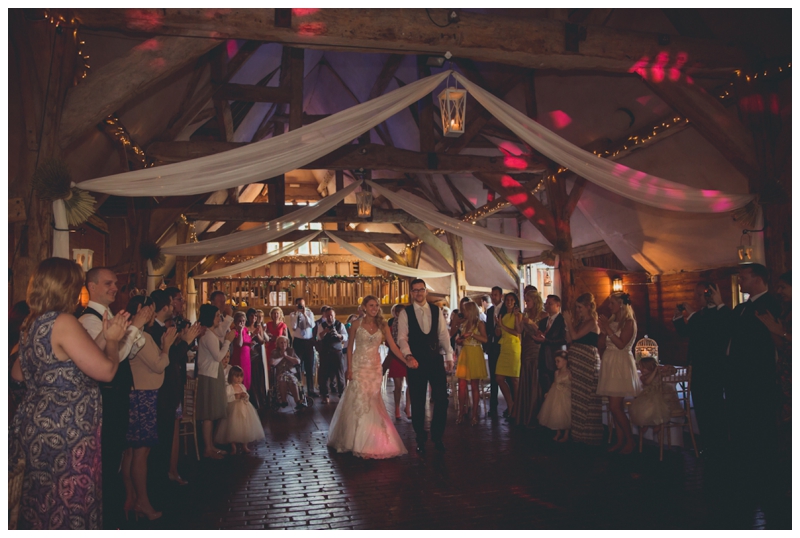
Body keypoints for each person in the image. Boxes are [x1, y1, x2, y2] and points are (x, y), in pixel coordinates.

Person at [10, 258, 128, 529]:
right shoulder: (63, 321)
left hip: (35, 428)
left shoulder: (31, 324)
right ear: (66, 286)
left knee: (42, 502)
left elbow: (18, 375)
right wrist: (112, 341)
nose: (79, 292)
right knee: (69, 501)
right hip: (67, 431)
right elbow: (107, 371)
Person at [78, 267, 153, 527]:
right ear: (92, 286)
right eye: (108, 283)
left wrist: (135, 330)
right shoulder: (89, 321)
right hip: (105, 399)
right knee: (108, 462)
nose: (114, 287)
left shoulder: (109, 315)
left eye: (115, 283)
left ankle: (114, 516)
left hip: (117, 396)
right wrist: (135, 329)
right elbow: (111, 360)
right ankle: (106, 521)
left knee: (116, 459)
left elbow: (127, 354)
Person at [327, 296, 418, 458]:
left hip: (374, 368)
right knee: (358, 400)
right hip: (359, 366)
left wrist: (407, 360)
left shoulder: (383, 325)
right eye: (371, 305)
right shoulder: (356, 324)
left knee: (373, 400)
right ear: (364, 307)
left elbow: (394, 347)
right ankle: (354, 439)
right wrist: (349, 369)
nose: (374, 308)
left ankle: (373, 440)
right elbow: (349, 348)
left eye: (376, 305)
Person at [120, 295, 176, 522]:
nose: (152, 316)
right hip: (142, 396)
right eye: (150, 311)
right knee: (141, 452)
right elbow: (159, 363)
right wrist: (167, 347)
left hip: (135, 393)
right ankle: (142, 501)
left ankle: (131, 496)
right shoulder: (140, 337)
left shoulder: (128, 333)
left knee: (131, 451)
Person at [672, 281, 730, 456]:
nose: (696, 299)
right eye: (695, 295)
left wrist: (692, 314)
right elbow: (689, 333)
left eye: (699, 295)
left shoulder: (716, 314)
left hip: (713, 370)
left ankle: (718, 445)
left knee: (714, 408)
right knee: (701, 408)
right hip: (698, 368)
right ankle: (707, 443)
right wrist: (677, 318)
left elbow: (708, 334)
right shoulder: (701, 314)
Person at [397, 279, 454, 454]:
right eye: (415, 291)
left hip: (435, 359)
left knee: (442, 399)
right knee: (418, 401)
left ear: (426, 291)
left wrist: (449, 355)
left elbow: (443, 335)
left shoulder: (436, 311)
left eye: (421, 290)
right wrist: (408, 355)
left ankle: (437, 436)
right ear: (411, 293)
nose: (418, 293)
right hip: (416, 362)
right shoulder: (405, 313)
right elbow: (401, 338)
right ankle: (420, 437)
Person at [597, 292, 641, 454]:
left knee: (616, 407)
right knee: (614, 406)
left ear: (621, 304)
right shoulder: (612, 321)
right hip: (610, 362)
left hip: (621, 364)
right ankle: (620, 440)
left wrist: (608, 330)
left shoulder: (629, 322)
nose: (609, 306)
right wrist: (602, 331)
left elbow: (622, 344)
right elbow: (601, 343)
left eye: (612, 303)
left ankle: (630, 440)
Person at [196, 304, 237, 459]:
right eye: (217, 315)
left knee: (212, 414)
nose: (219, 318)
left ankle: (211, 445)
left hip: (213, 374)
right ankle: (208, 448)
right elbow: (219, 357)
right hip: (208, 375)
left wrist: (228, 316)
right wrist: (228, 341)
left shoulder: (211, 333)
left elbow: (220, 332)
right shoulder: (207, 335)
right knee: (208, 413)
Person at [564, 292, 603, 446]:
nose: (578, 310)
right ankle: (578, 432)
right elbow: (569, 338)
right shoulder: (580, 321)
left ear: (588, 307)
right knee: (577, 397)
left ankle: (589, 433)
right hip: (577, 361)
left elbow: (575, 336)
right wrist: (569, 325)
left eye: (580, 307)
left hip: (587, 362)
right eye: (577, 307)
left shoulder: (592, 322)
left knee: (586, 397)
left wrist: (568, 322)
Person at [755, 270, 791, 425]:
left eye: (783, 287)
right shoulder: (786, 311)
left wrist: (781, 332)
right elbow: (783, 346)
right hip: (787, 371)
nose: (779, 291)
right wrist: (770, 328)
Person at [511, 288, 545, 428]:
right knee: (525, 375)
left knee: (534, 377)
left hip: (536, 347)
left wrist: (530, 322)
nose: (526, 303)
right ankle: (525, 412)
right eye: (525, 301)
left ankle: (535, 411)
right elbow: (519, 331)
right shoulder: (525, 313)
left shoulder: (543, 315)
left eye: (528, 301)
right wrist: (517, 318)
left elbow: (542, 332)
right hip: (526, 346)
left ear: (535, 301)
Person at [215, 365, 266, 453]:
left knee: (245, 427)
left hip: (244, 408)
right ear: (231, 376)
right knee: (233, 427)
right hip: (234, 409)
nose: (239, 378)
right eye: (236, 376)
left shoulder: (242, 386)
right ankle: (233, 446)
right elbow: (227, 398)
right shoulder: (229, 387)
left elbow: (247, 396)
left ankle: (244, 445)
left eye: (241, 376)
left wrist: (245, 396)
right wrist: (236, 396)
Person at [454, 301, 488, 425]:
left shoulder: (480, 324)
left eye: (465, 310)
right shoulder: (464, 324)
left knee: (474, 385)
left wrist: (472, 334)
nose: (463, 313)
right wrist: (460, 340)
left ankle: (474, 414)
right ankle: (461, 411)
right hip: (465, 352)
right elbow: (460, 338)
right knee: (461, 385)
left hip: (475, 352)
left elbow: (485, 339)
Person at [629, 357, 676, 435]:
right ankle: (645, 423)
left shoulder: (659, 374)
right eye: (640, 367)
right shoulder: (643, 377)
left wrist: (663, 368)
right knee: (643, 406)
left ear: (650, 367)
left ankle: (659, 423)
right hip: (648, 394)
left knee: (656, 404)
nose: (641, 369)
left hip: (660, 394)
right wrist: (655, 371)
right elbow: (648, 382)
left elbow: (674, 371)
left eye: (643, 367)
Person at [495, 292, 523, 419]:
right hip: (504, 347)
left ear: (515, 302)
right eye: (507, 300)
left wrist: (503, 326)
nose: (509, 302)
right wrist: (498, 326)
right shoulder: (503, 315)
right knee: (499, 378)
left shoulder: (518, 315)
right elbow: (498, 334)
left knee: (515, 380)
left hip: (513, 347)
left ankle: (517, 407)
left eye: (512, 300)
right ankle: (510, 403)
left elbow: (518, 332)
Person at [533, 295, 566, 396]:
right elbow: (540, 338)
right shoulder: (543, 321)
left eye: (550, 304)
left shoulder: (562, 321)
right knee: (544, 389)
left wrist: (546, 340)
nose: (547, 306)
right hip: (543, 359)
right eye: (546, 303)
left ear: (558, 305)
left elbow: (564, 339)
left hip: (555, 358)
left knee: (556, 389)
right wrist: (537, 337)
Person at [537, 351, 572, 442]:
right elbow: (554, 383)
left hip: (565, 395)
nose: (556, 363)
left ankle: (566, 435)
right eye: (555, 361)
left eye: (558, 361)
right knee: (556, 413)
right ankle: (558, 432)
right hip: (555, 394)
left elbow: (572, 385)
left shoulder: (569, 374)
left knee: (565, 414)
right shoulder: (556, 372)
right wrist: (549, 392)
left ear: (565, 361)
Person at [385, 304, 412, 420]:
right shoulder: (391, 327)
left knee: (410, 383)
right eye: (399, 312)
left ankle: (408, 407)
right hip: (396, 357)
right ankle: (396, 408)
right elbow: (387, 343)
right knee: (398, 384)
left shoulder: (409, 326)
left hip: (408, 356)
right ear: (395, 313)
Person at [316, 306, 348, 403]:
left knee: (340, 374)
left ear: (334, 315)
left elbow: (346, 336)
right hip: (325, 352)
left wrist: (338, 335)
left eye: (331, 315)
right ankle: (325, 396)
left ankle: (342, 394)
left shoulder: (340, 325)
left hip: (337, 353)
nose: (330, 317)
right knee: (324, 375)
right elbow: (318, 337)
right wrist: (325, 331)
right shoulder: (321, 325)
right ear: (325, 316)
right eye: (328, 316)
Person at [289, 297, 317, 396]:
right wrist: (297, 314)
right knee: (298, 366)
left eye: (302, 304)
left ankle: (311, 390)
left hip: (308, 342)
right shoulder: (292, 314)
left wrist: (304, 314)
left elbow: (312, 325)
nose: (301, 306)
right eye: (299, 304)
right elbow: (293, 326)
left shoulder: (309, 313)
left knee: (309, 366)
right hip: (298, 342)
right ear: (296, 305)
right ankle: (299, 389)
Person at [483, 286, 504, 417]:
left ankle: (510, 404)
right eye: (492, 295)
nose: (493, 297)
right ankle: (493, 406)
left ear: (501, 295)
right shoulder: (490, 310)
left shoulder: (506, 309)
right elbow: (488, 328)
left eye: (495, 295)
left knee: (504, 377)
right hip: (492, 347)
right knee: (493, 378)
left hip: (503, 346)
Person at [270, 336, 305, 410]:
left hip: (290, 372)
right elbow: (272, 363)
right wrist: (282, 357)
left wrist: (287, 356)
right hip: (280, 373)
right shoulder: (274, 352)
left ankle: (298, 401)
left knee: (292, 380)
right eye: (281, 343)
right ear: (278, 344)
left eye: (285, 342)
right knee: (283, 379)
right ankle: (283, 401)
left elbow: (298, 361)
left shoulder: (291, 351)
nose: (283, 344)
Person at [231, 311, 253, 389]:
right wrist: (240, 331)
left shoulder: (246, 330)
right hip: (239, 357)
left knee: (247, 377)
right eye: (239, 321)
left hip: (247, 358)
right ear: (235, 322)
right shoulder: (234, 331)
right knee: (239, 377)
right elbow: (239, 344)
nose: (242, 323)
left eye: (243, 321)